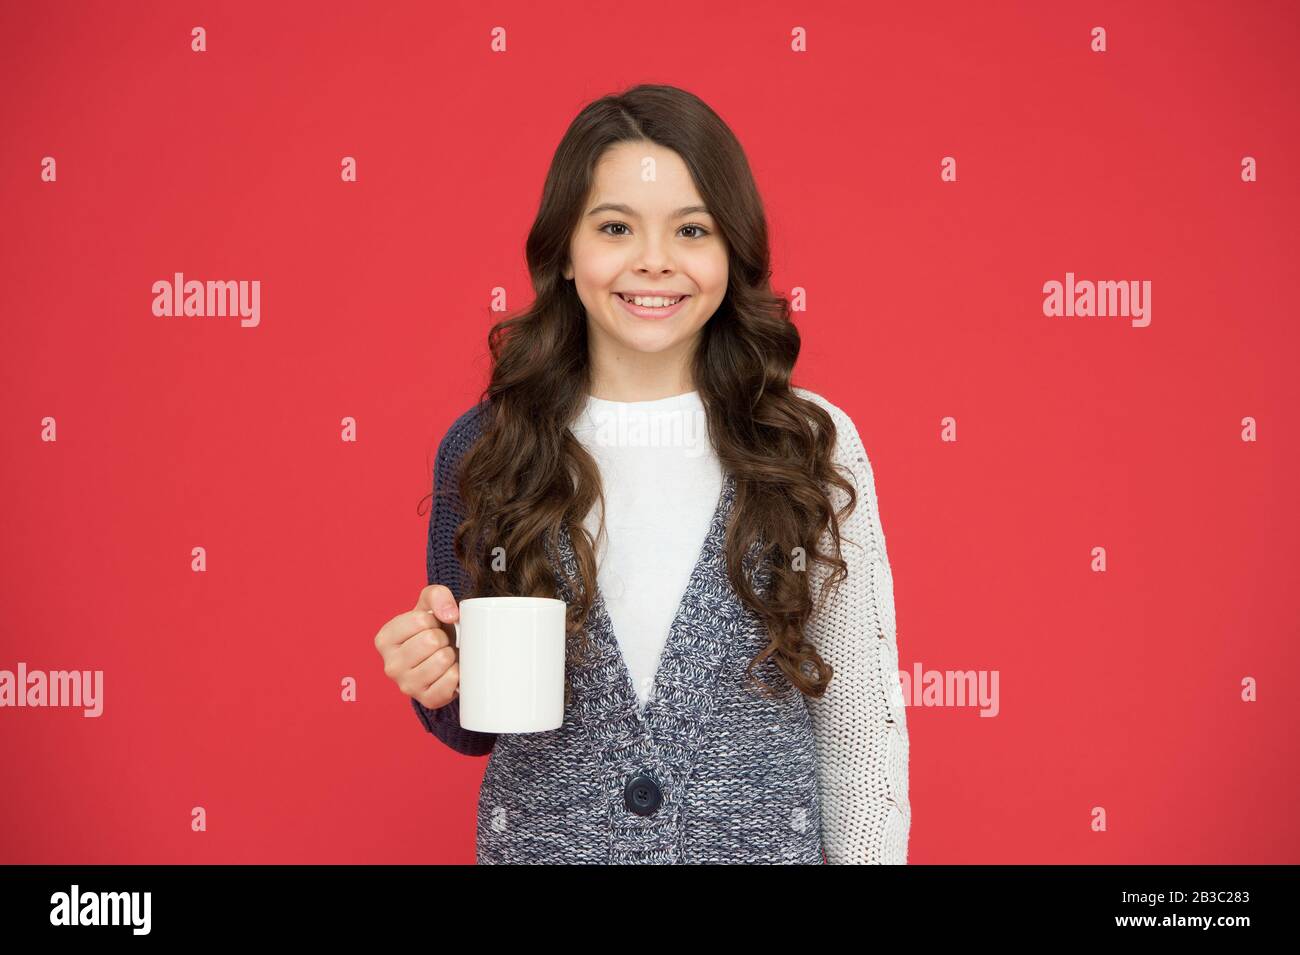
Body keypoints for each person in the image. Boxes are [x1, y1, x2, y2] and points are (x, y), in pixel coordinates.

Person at [373, 83, 910, 864]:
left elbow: (861, 725)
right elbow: (477, 725)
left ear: (733, 251)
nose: (654, 260)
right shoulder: (490, 446)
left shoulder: (808, 445)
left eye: (692, 229)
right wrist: (436, 676)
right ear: (564, 250)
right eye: (616, 227)